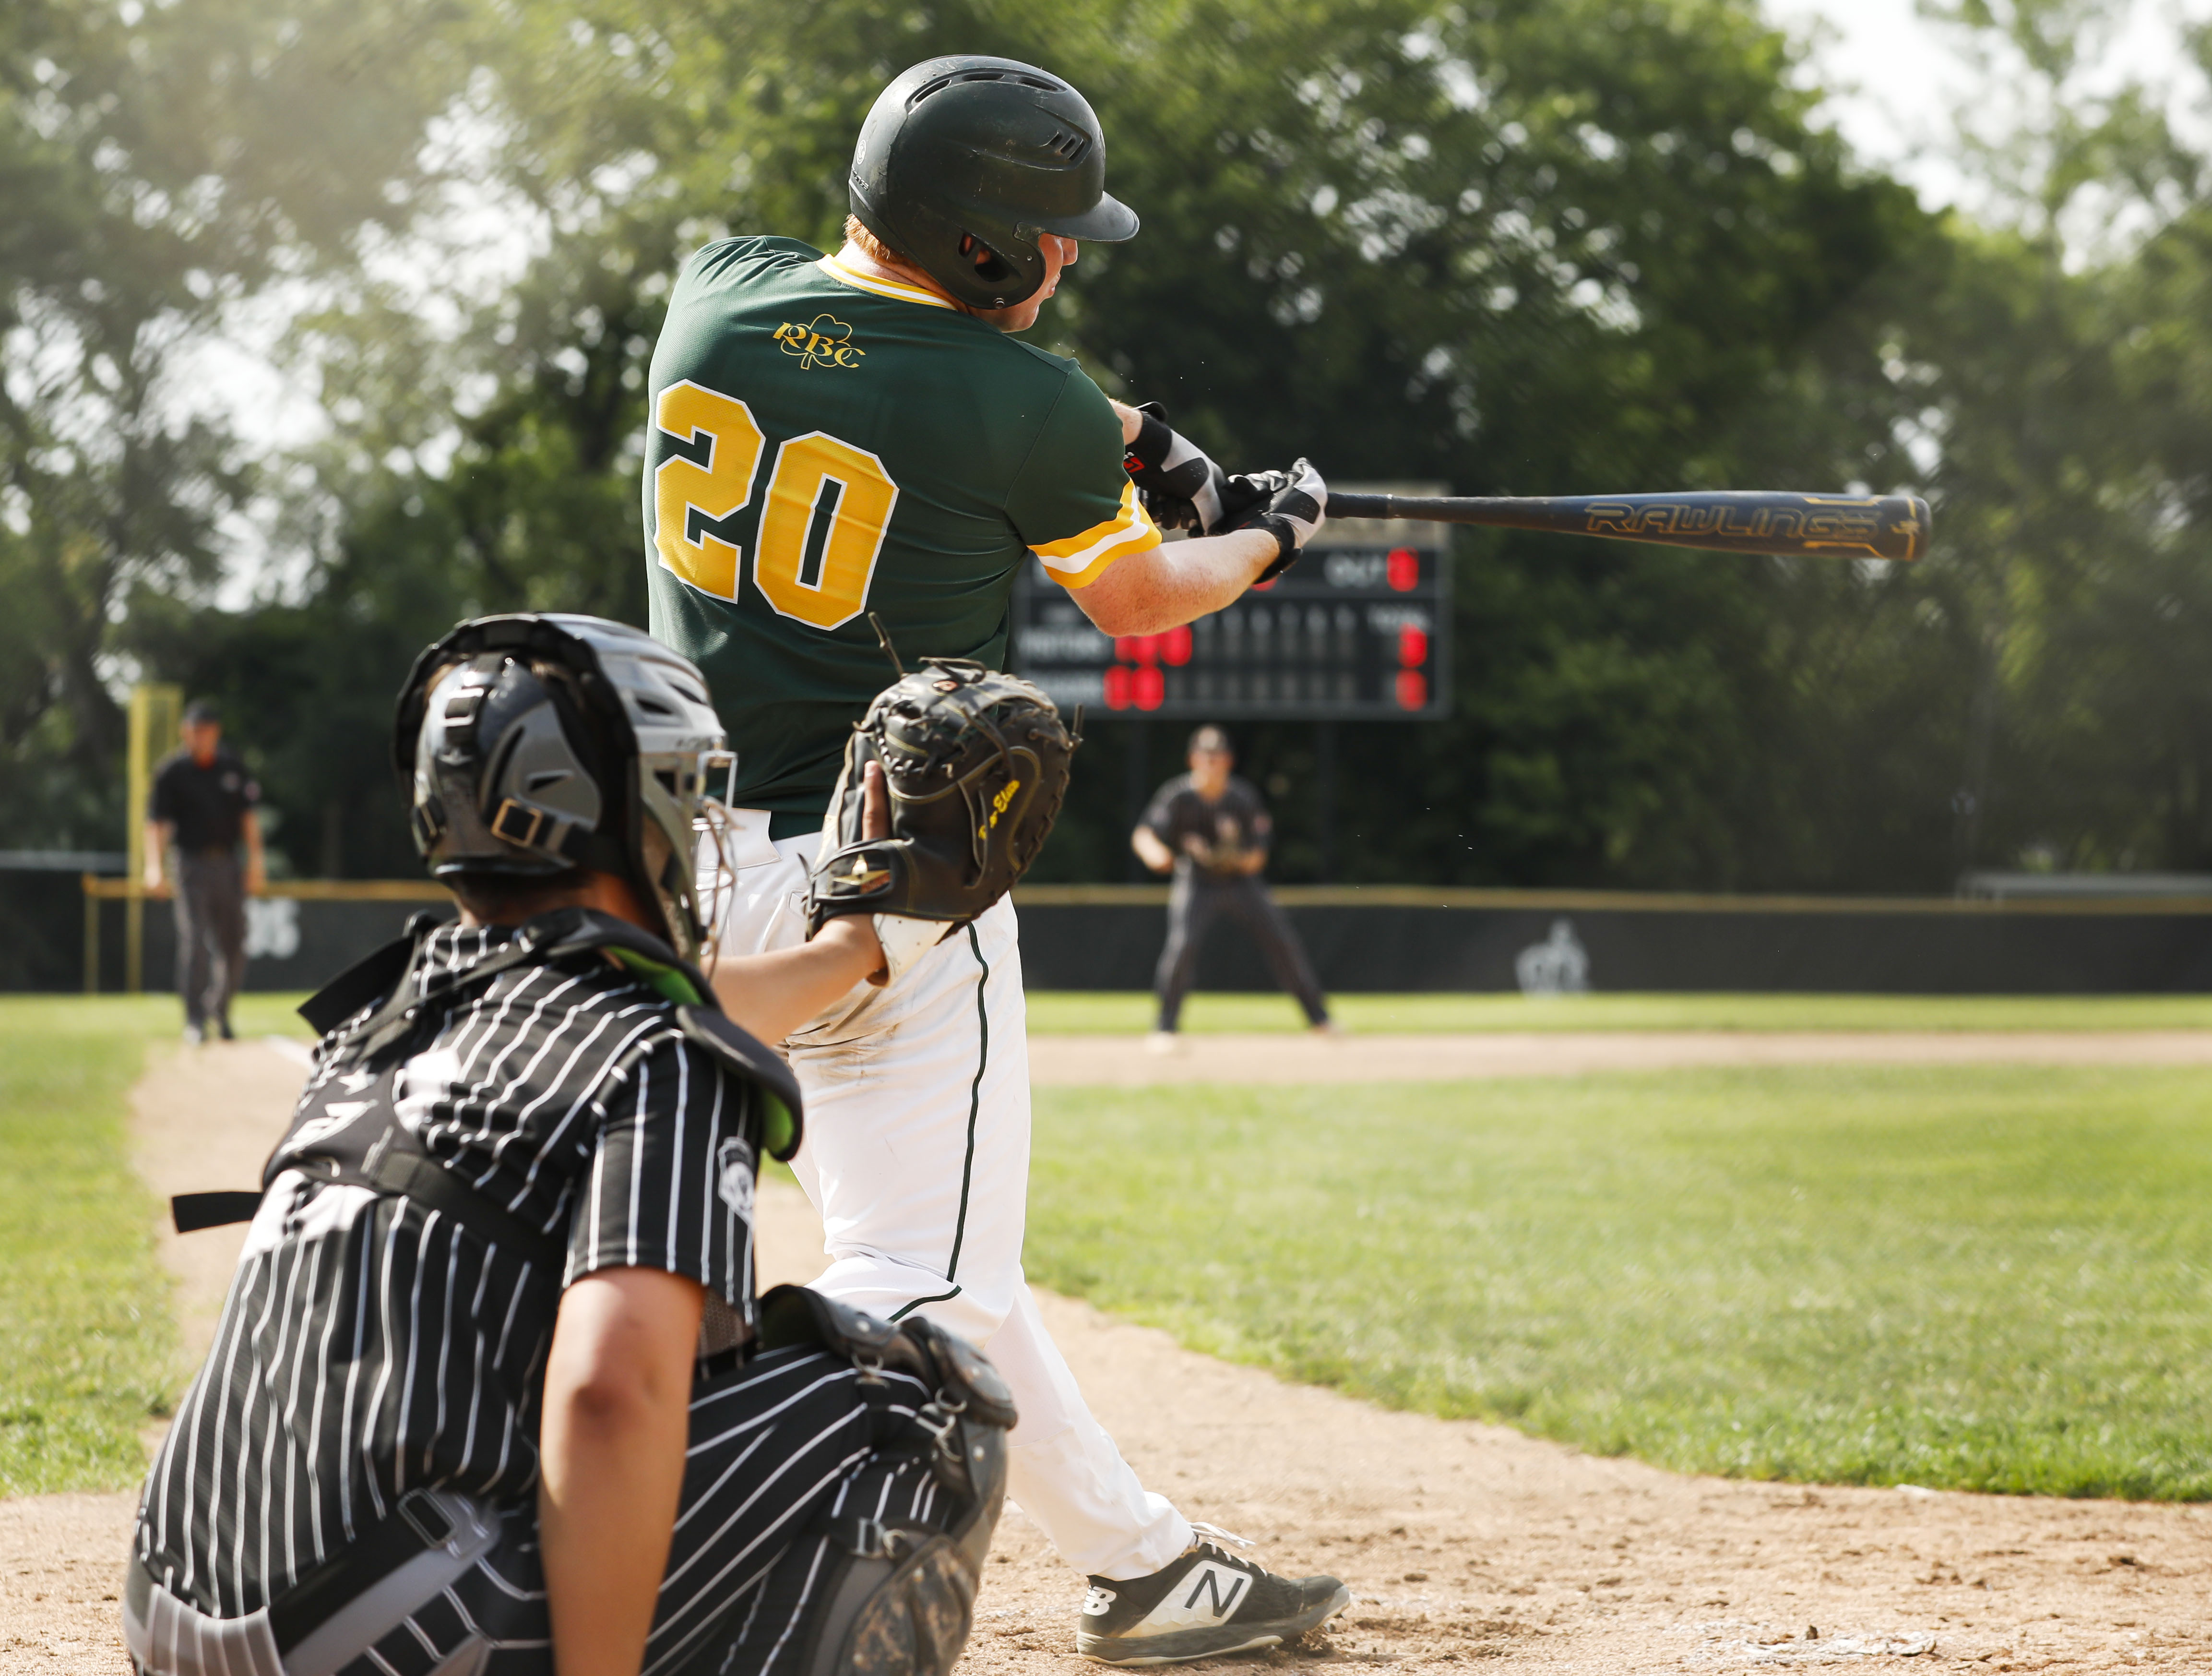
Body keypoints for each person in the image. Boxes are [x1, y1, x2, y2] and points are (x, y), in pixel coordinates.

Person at [640, 54, 1349, 1666]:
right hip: (891, 876)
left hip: (677, 871)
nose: (1068, 257)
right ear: (975, 247)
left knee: (937, 1257)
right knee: (924, 1279)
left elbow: (903, 375)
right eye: (1048, 234)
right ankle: (720, 1538)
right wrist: (1268, 528)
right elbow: (1145, 595)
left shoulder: (716, 293)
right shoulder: (1020, 404)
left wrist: (1139, 433)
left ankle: (1149, 1568)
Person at [127, 613, 1015, 1676]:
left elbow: (648, 1004)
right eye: (681, 791)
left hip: (179, 1615)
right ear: (618, 807)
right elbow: (610, 1395)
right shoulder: (656, 1057)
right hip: (374, 1644)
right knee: (917, 1411)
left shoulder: (390, 1014)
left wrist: (854, 944)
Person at [1132, 727, 1334, 1045]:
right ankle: (1164, 1029)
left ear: (1228, 761)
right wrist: (1156, 853)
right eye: (1205, 757)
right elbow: (1144, 833)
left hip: (1241, 883)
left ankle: (1320, 1021)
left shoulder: (1242, 797)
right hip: (1196, 881)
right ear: (1193, 759)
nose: (1211, 764)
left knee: (1282, 943)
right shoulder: (1178, 796)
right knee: (1182, 947)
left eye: (1217, 757)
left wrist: (1236, 860)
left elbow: (1258, 855)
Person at [143, 698, 265, 1043]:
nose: (201, 737)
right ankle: (194, 1019)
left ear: (216, 733)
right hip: (190, 864)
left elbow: (248, 818)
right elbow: (157, 824)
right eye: (195, 731)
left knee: (235, 944)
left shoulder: (232, 767)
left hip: (228, 863)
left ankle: (220, 1011)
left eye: (207, 731)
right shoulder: (173, 772)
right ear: (186, 733)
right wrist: (154, 867)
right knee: (195, 942)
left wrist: (256, 862)